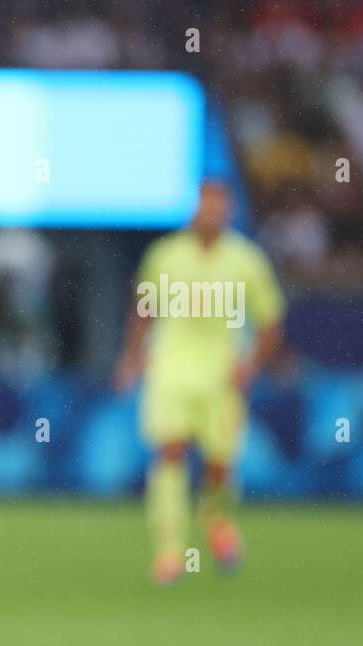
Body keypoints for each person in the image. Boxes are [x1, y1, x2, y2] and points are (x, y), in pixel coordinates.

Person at [113, 180, 285, 583]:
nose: (210, 215)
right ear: (194, 211)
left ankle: (215, 519)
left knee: (218, 466)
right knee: (170, 453)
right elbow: (143, 308)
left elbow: (270, 320)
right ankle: (170, 553)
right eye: (204, 207)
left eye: (218, 208)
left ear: (228, 213)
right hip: (171, 369)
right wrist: (131, 358)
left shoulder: (246, 260)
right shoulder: (165, 255)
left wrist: (252, 363)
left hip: (222, 375)